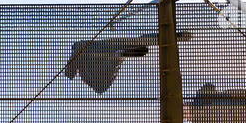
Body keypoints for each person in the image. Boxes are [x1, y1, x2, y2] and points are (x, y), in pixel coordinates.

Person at [63, 31, 192, 94]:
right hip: (105, 56)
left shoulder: (81, 50)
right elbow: (69, 73)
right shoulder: (81, 50)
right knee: (138, 42)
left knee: (101, 85)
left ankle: (119, 56)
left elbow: (69, 74)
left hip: (102, 61)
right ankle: (175, 36)